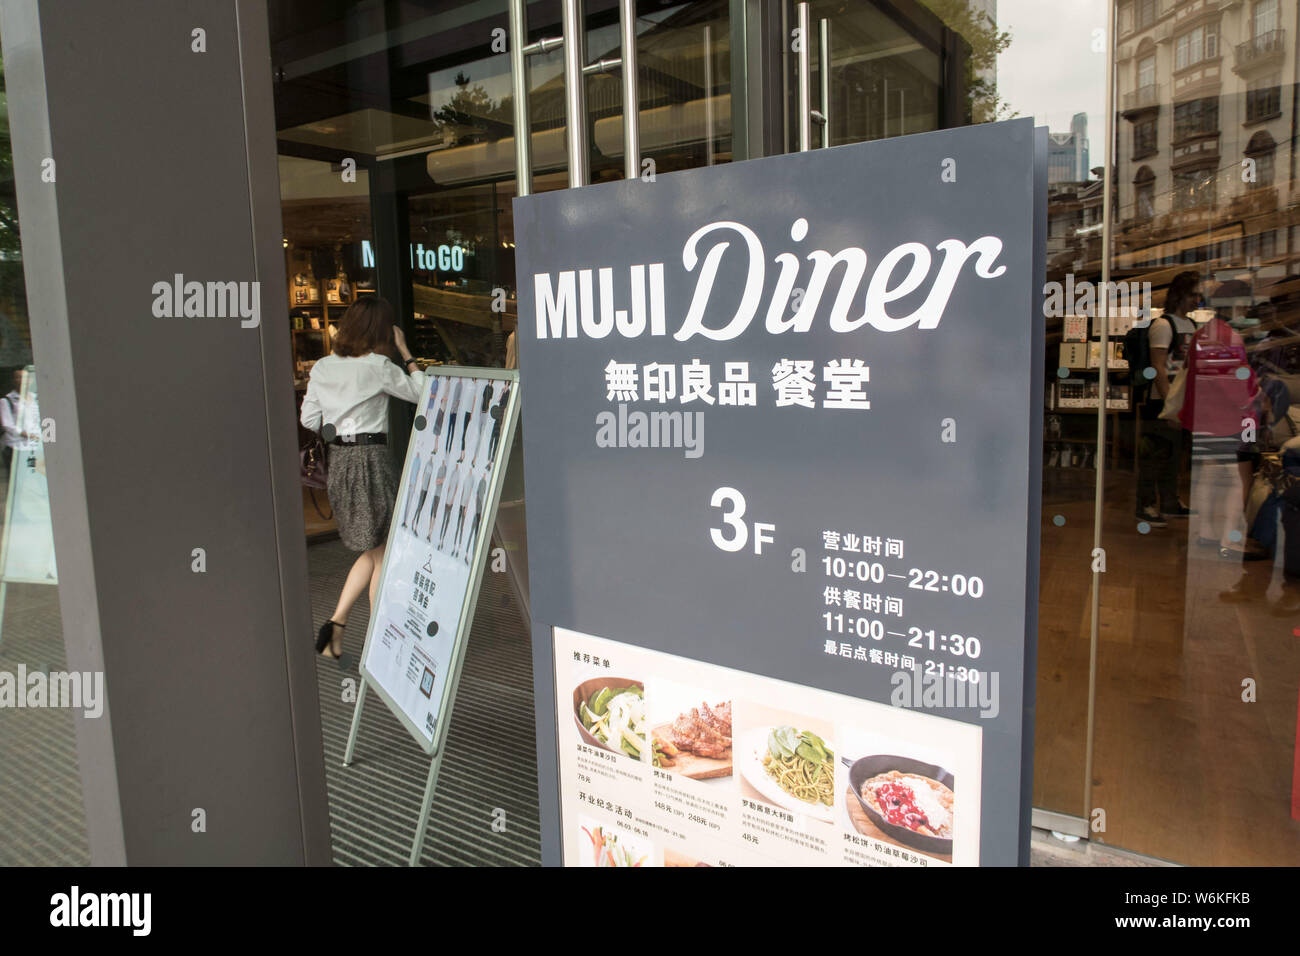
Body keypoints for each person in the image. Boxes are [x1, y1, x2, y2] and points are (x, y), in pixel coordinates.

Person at [300, 297, 425, 660]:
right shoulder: (378, 366)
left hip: (341, 462)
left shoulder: (323, 366)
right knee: (383, 553)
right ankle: (381, 647)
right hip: (371, 461)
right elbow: (422, 394)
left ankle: (335, 627)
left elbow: (310, 420)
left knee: (374, 549)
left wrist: (338, 428)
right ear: (382, 331)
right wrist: (406, 352)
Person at [1136, 271, 1198, 527]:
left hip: (1182, 400)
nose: (1197, 299)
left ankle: (1171, 500)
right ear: (1180, 295)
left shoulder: (1191, 325)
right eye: (1193, 294)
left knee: (1175, 454)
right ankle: (1146, 504)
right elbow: (1158, 367)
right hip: (1163, 400)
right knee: (1156, 455)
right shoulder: (1163, 325)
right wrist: (1168, 404)